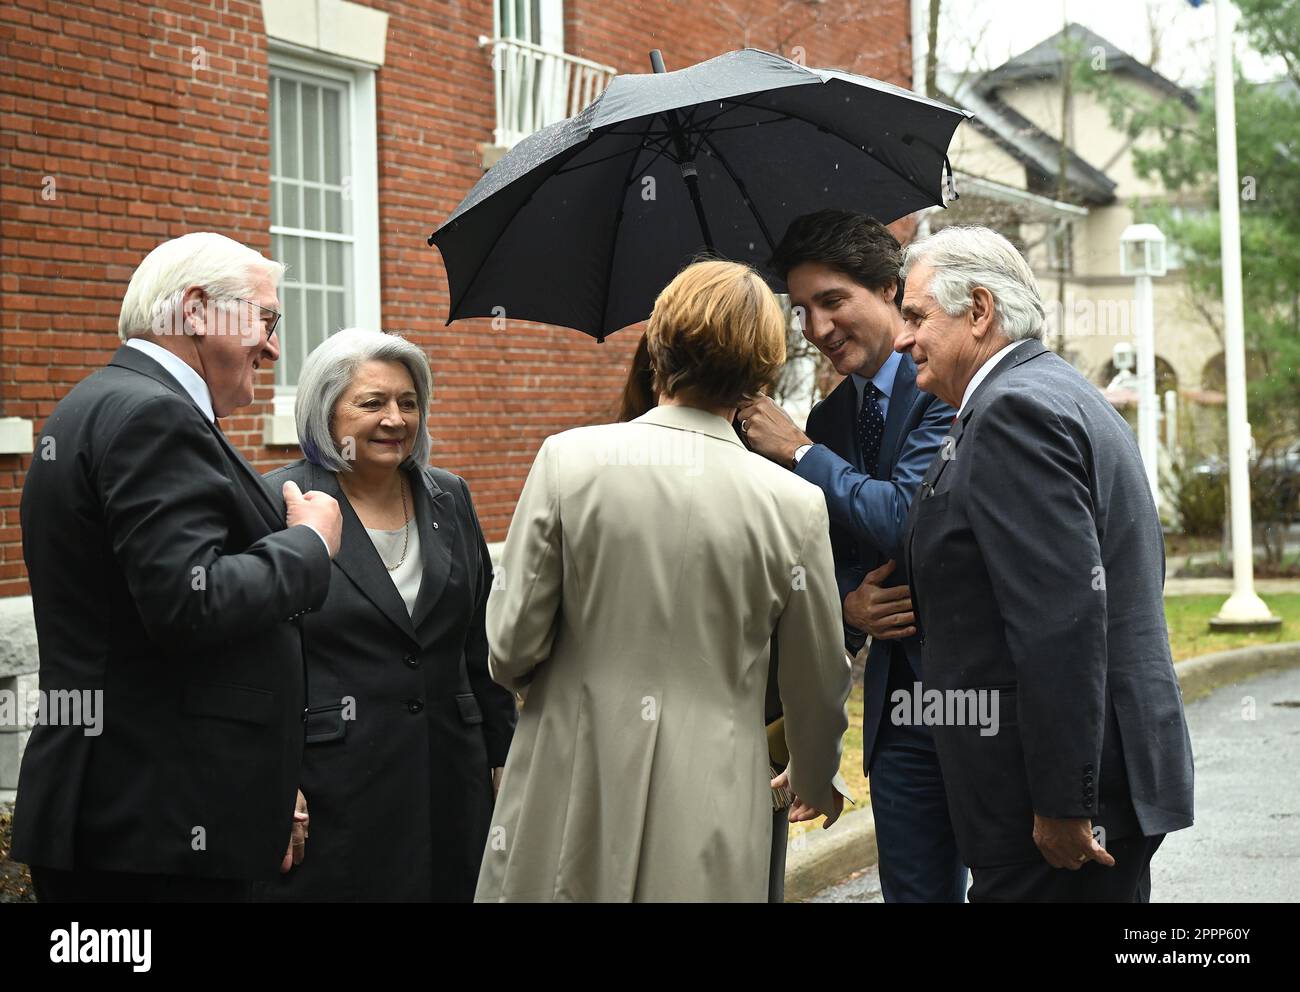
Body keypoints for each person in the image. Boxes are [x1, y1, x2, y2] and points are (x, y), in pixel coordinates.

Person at [476, 259, 851, 902]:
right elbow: (815, 680)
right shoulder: (793, 504)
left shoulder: (568, 462)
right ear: (764, 368)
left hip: (571, 773)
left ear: (659, 343)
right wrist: (815, 777)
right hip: (712, 791)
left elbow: (510, 648)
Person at [14, 232, 341, 902]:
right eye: (266, 319)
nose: (274, 346)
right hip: (151, 826)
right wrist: (309, 543)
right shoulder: (154, 415)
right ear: (195, 312)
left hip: (131, 813)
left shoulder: (102, 402)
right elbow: (189, 603)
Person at [895, 225, 1195, 902]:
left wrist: (1064, 802)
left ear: (979, 311)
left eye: (915, 317)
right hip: (1080, 788)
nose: (900, 339)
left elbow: (1060, 620)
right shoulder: (1053, 391)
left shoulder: (1014, 412)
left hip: (1049, 811)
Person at [738, 210, 966, 903]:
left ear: (892, 291)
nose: (816, 328)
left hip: (978, 695)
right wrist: (846, 603)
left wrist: (801, 454)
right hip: (896, 712)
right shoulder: (833, 420)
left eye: (832, 301)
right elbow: (825, 555)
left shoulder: (946, 389)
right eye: (802, 309)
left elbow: (906, 519)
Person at [259, 328, 517, 902]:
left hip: (451, 777)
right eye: (372, 403)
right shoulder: (278, 502)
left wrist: (503, 755)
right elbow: (255, 660)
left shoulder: (450, 495)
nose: (396, 419)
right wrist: (271, 781)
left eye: (408, 402)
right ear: (325, 412)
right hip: (333, 788)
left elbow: (478, 642)